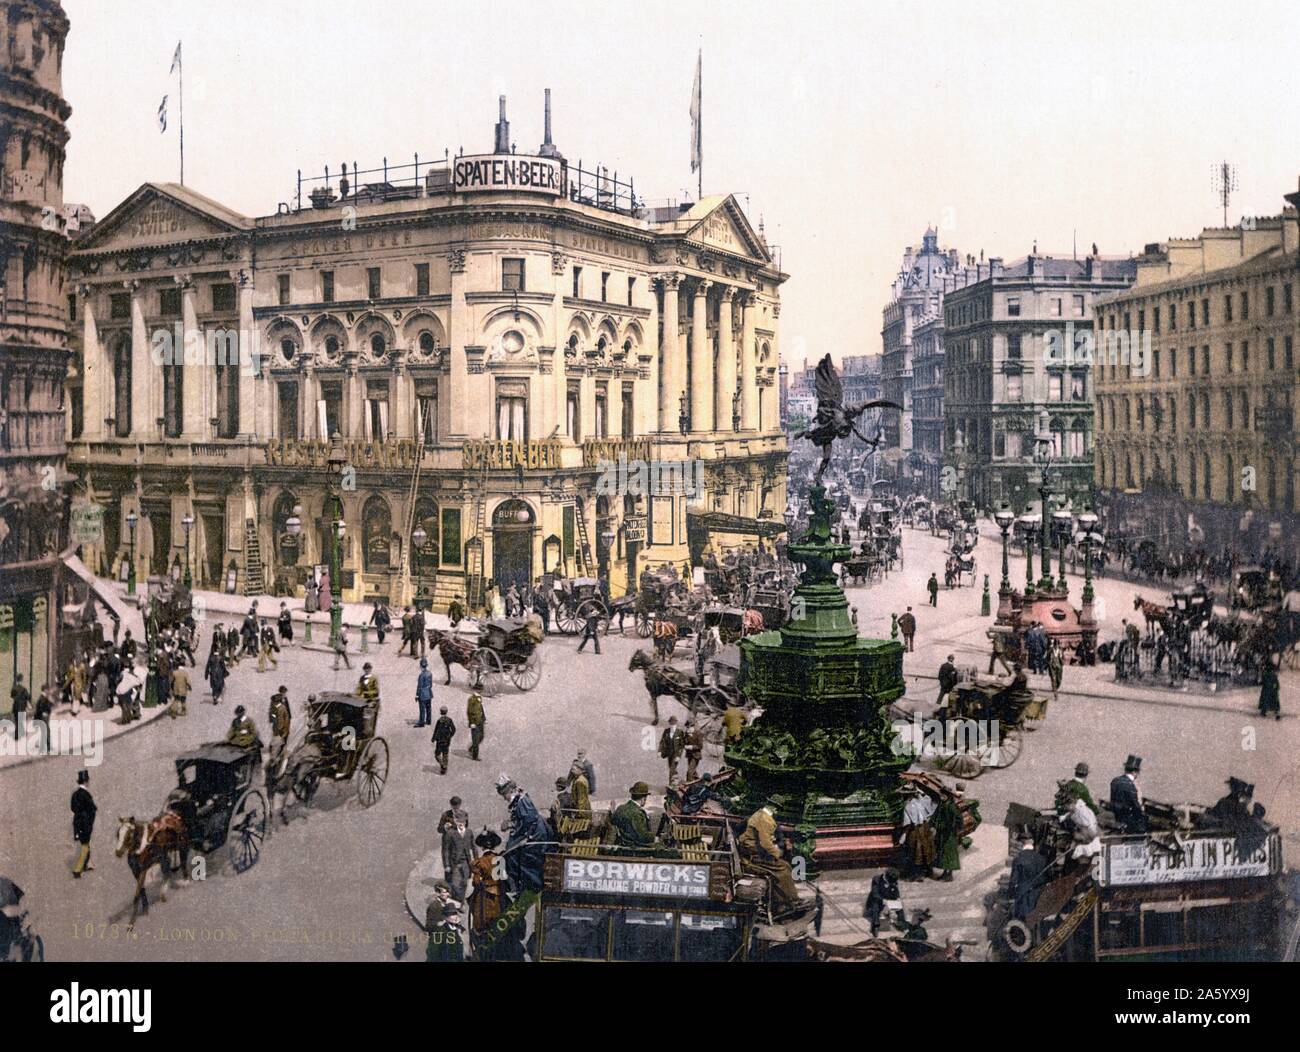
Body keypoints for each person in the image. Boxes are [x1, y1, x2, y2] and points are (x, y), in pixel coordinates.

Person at [737, 800, 801, 915]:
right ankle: (790, 902)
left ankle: (783, 902)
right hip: (754, 856)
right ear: (774, 809)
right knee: (783, 869)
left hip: (752, 851)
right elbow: (765, 844)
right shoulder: (765, 820)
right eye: (777, 810)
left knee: (784, 867)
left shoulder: (759, 814)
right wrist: (777, 853)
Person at [497, 776, 547, 893]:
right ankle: (521, 885)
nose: (504, 798)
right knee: (510, 851)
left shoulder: (522, 801)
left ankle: (531, 886)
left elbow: (531, 821)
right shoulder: (519, 799)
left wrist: (524, 836)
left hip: (535, 836)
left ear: (510, 791)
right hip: (529, 832)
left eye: (504, 795)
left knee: (514, 857)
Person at [438, 798, 478, 903]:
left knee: (464, 882)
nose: (456, 808)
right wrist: (446, 864)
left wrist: (477, 860)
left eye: (457, 806)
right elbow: (445, 849)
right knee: (453, 881)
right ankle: (454, 898)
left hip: (465, 859)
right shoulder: (446, 816)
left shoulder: (467, 828)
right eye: (454, 806)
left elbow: (473, 846)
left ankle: (459, 900)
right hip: (453, 855)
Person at [899, 785, 937, 880]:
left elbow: (907, 823)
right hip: (924, 828)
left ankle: (917, 874)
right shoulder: (920, 802)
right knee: (926, 848)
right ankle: (929, 871)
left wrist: (903, 835)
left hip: (914, 830)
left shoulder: (907, 806)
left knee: (915, 851)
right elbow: (928, 801)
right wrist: (920, 793)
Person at [1008, 837, 1048, 921]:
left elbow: (1014, 880)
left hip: (1024, 895)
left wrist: (1011, 894)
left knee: (1022, 918)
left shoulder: (1018, 859)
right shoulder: (1042, 859)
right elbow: (1045, 878)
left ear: (1023, 845)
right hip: (1039, 894)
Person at [609, 781, 656, 853]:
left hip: (622, 847)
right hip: (636, 849)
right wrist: (655, 838)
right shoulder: (638, 813)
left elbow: (613, 822)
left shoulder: (620, 808)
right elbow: (642, 836)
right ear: (643, 799)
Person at [1108, 754, 1147, 833]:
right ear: (1135, 772)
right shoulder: (1131, 786)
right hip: (1127, 819)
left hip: (1116, 816)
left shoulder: (1115, 781)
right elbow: (1135, 806)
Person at [931, 788, 964, 881]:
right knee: (944, 854)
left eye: (943, 795)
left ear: (948, 796)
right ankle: (945, 873)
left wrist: (950, 827)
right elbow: (936, 816)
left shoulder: (951, 806)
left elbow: (958, 819)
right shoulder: (943, 805)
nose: (941, 797)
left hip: (949, 834)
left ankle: (949, 874)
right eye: (941, 795)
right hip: (943, 833)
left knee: (948, 854)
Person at [863, 868, 903, 937]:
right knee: (875, 907)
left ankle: (902, 923)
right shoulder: (876, 879)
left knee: (900, 906)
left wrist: (897, 898)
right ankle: (875, 926)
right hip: (877, 899)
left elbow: (896, 891)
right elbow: (875, 894)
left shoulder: (893, 880)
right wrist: (883, 900)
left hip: (889, 897)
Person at [71, 770, 96, 878]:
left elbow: (72, 808)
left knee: (85, 844)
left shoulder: (75, 794)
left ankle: (87, 864)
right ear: (86, 782)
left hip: (77, 823)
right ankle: (77, 870)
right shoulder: (85, 794)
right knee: (85, 846)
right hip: (85, 824)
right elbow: (92, 809)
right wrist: (88, 819)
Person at [659, 716, 686, 783]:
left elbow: (681, 745)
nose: (672, 725)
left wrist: (678, 756)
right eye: (671, 723)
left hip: (676, 754)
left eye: (674, 723)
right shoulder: (666, 731)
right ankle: (676, 779)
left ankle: (671, 785)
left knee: (672, 769)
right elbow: (663, 741)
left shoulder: (680, 732)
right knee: (672, 768)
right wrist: (660, 751)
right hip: (669, 753)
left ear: (676, 724)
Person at [431, 706, 456, 775]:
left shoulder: (439, 721)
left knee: (437, 754)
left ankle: (442, 764)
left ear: (440, 712)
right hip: (447, 740)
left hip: (439, 740)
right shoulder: (449, 720)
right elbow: (454, 729)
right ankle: (444, 766)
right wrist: (450, 736)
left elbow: (436, 731)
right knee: (445, 754)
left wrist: (433, 739)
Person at [415, 657, 433, 728]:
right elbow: (431, 684)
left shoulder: (421, 675)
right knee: (428, 708)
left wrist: (417, 695)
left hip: (422, 694)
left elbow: (419, 686)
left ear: (421, 666)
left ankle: (421, 722)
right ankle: (428, 721)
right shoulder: (430, 673)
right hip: (429, 693)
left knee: (422, 709)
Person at [466, 691, 485, 760]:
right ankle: (475, 756)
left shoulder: (479, 697)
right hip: (474, 722)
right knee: (475, 739)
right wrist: (471, 723)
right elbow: (469, 712)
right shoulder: (471, 699)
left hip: (480, 720)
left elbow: (481, 709)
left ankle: (471, 748)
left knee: (481, 736)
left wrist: (484, 718)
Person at [9, 674, 29, 739]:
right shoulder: (24, 689)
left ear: (16, 680)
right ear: (22, 680)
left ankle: (20, 732)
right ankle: (17, 736)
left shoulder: (14, 688)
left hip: (15, 706)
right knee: (20, 720)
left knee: (17, 720)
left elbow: (12, 696)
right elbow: (28, 697)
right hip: (22, 707)